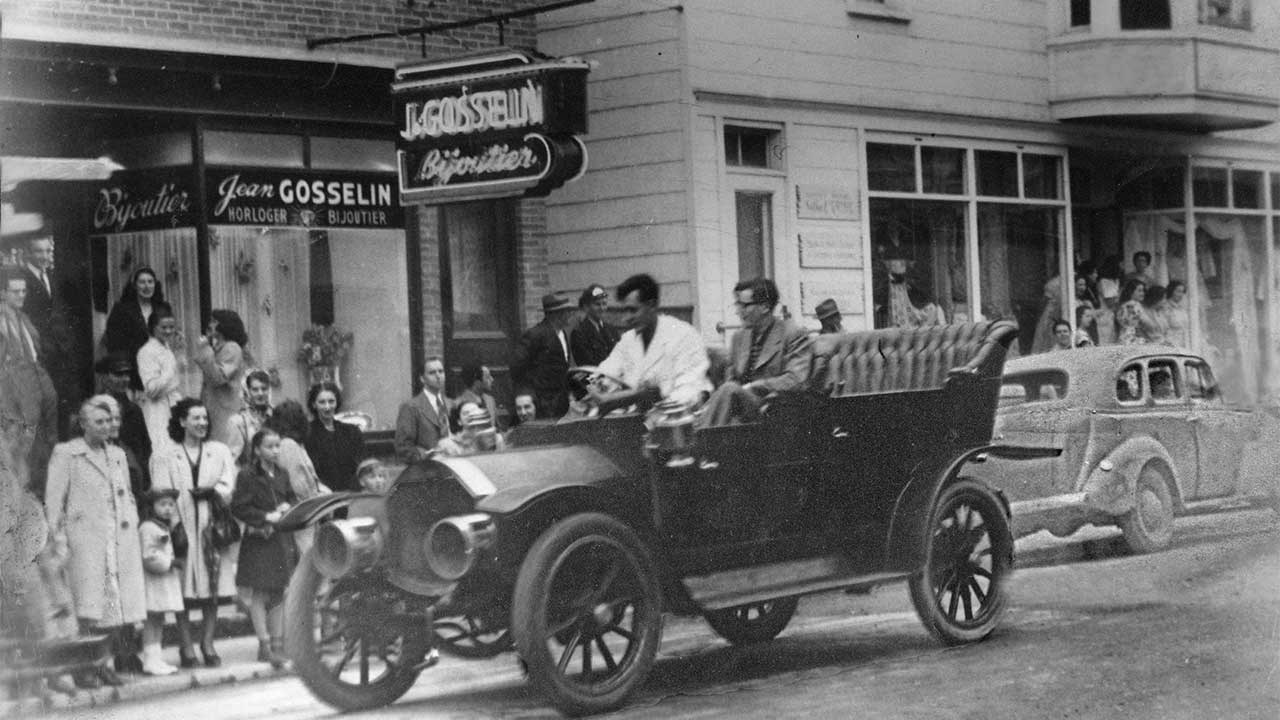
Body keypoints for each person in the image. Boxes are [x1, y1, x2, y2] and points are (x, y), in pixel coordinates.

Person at [43, 396, 147, 688]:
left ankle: (104, 663)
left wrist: (131, 519)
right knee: (87, 605)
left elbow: (127, 493)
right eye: (98, 422)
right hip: (84, 541)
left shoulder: (117, 454)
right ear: (83, 424)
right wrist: (58, 538)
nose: (105, 426)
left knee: (114, 605)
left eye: (108, 421)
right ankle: (83, 667)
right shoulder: (68, 453)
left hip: (117, 538)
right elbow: (54, 501)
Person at [148, 397, 237, 668]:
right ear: (182, 421)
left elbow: (229, 483)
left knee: (212, 586)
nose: (202, 423)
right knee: (182, 589)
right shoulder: (164, 454)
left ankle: (208, 643)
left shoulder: (219, 451)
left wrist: (214, 492)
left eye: (204, 418)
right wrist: (173, 525)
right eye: (196, 418)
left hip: (211, 528)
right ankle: (186, 646)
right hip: (180, 528)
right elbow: (161, 493)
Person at [701, 278, 812, 426]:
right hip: (742, 406)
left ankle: (702, 435)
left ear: (765, 307)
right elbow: (731, 378)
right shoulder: (739, 337)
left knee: (728, 391)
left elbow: (795, 380)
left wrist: (753, 387)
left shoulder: (793, 334)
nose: (738, 311)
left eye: (744, 306)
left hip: (774, 407)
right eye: (737, 304)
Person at [593, 274, 711, 410]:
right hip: (638, 416)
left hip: (680, 417)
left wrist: (643, 396)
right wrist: (594, 386)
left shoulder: (684, 335)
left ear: (652, 305)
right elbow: (605, 373)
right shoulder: (628, 339)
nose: (626, 319)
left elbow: (689, 393)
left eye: (633, 310)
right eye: (624, 311)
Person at [231, 428, 296, 669]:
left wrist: (288, 507)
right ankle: (264, 644)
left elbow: (292, 497)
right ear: (257, 450)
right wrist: (265, 517)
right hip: (259, 539)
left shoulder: (282, 473)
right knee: (259, 592)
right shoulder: (247, 475)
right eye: (270, 446)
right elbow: (239, 507)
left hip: (280, 539)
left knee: (278, 590)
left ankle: (277, 644)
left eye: (278, 446)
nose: (275, 451)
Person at [0, 267, 58, 499]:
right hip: (14, 384)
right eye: (15, 291)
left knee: (43, 433)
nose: (21, 295)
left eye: (23, 291)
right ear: (3, 293)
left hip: (35, 377)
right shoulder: (2, 320)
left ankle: (39, 490)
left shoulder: (23, 318)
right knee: (22, 437)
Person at [20, 232, 77, 438]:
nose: (44, 256)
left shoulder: (52, 277)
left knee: (61, 403)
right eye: (38, 251)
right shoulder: (21, 281)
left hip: (59, 352)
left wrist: (66, 341)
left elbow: (59, 312)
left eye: (47, 251)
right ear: (28, 253)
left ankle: (61, 447)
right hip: (38, 352)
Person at [267, 400, 327, 556]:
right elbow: (297, 483)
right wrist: (316, 499)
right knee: (308, 558)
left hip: (304, 511)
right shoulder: (288, 445)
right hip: (301, 512)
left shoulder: (294, 444)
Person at [137, 487, 186, 676]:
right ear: (152, 506)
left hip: (163, 582)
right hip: (153, 582)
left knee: (159, 619)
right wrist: (169, 563)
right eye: (162, 504)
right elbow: (149, 555)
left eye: (171, 505)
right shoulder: (148, 527)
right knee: (152, 620)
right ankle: (150, 660)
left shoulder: (162, 526)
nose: (168, 508)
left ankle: (156, 658)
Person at [511, 293, 577, 419]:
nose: (570, 314)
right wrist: (532, 394)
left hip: (560, 403)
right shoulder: (535, 335)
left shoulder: (563, 333)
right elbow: (516, 367)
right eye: (567, 311)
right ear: (556, 314)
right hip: (542, 403)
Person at [104, 267, 172, 388]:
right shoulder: (121, 309)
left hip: (159, 369)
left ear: (155, 284)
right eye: (142, 282)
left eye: (150, 282)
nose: (147, 286)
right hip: (133, 371)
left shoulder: (163, 307)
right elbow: (114, 343)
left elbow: (169, 335)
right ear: (135, 286)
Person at [192, 309, 249, 447]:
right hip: (215, 409)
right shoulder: (219, 347)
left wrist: (205, 349)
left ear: (225, 325)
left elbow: (218, 377)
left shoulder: (232, 348)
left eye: (214, 321)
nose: (209, 325)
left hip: (225, 411)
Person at [97, 352, 152, 491]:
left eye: (127, 374)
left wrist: (144, 477)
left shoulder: (135, 411)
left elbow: (145, 448)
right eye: (118, 374)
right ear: (104, 378)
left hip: (132, 480)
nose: (125, 379)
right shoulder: (93, 410)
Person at [137, 306, 183, 453]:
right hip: (157, 409)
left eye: (171, 327)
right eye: (163, 327)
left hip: (172, 404)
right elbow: (152, 389)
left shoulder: (166, 348)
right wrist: (172, 367)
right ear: (153, 327)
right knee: (161, 448)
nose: (168, 331)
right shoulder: (147, 351)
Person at [304, 381, 365, 493]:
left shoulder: (351, 431)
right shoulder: (307, 433)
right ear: (314, 404)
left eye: (331, 401)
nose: (327, 407)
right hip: (324, 495)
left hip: (350, 493)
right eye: (322, 402)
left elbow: (360, 466)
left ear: (337, 402)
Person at [394, 357, 452, 464]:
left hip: (453, 465)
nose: (438, 376)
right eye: (432, 373)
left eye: (441, 371)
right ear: (422, 378)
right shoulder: (411, 407)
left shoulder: (450, 404)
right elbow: (403, 447)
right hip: (427, 468)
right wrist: (427, 456)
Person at [227, 369, 273, 468]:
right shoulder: (238, 422)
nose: (260, 393)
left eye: (264, 389)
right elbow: (233, 460)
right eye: (255, 390)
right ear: (247, 391)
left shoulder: (276, 416)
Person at [570, 284, 619, 367]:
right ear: (586, 307)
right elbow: (587, 364)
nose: (602, 308)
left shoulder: (611, 330)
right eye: (597, 304)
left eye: (604, 304)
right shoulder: (579, 333)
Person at [437, 402, 506, 456]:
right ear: (459, 421)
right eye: (466, 413)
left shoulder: (496, 439)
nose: (471, 415)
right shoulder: (448, 445)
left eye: (475, 411)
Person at [1115, 279, 1163, 345]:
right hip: (1130, 340)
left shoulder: (1133, 304)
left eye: (1143, 291)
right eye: (1139, 291)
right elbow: (1136, 327)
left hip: (1131, 338)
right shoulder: (1131, 306)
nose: (1142, 293)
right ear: (1131, 291)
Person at [454, 364, 500, 432]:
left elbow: (496, 428)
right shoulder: (458, 403)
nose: (492, 379)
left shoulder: (490, 400)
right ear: (477, 382)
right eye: (487, 377)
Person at [1158, 280, 1190, 348]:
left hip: (1183, 343)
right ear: (1171, 291)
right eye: (1178, 291)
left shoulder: (1182, 309)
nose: (1181, 295)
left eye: (1182, 292)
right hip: (1170, 344)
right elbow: (1162, 329)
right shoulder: (1164, 307)